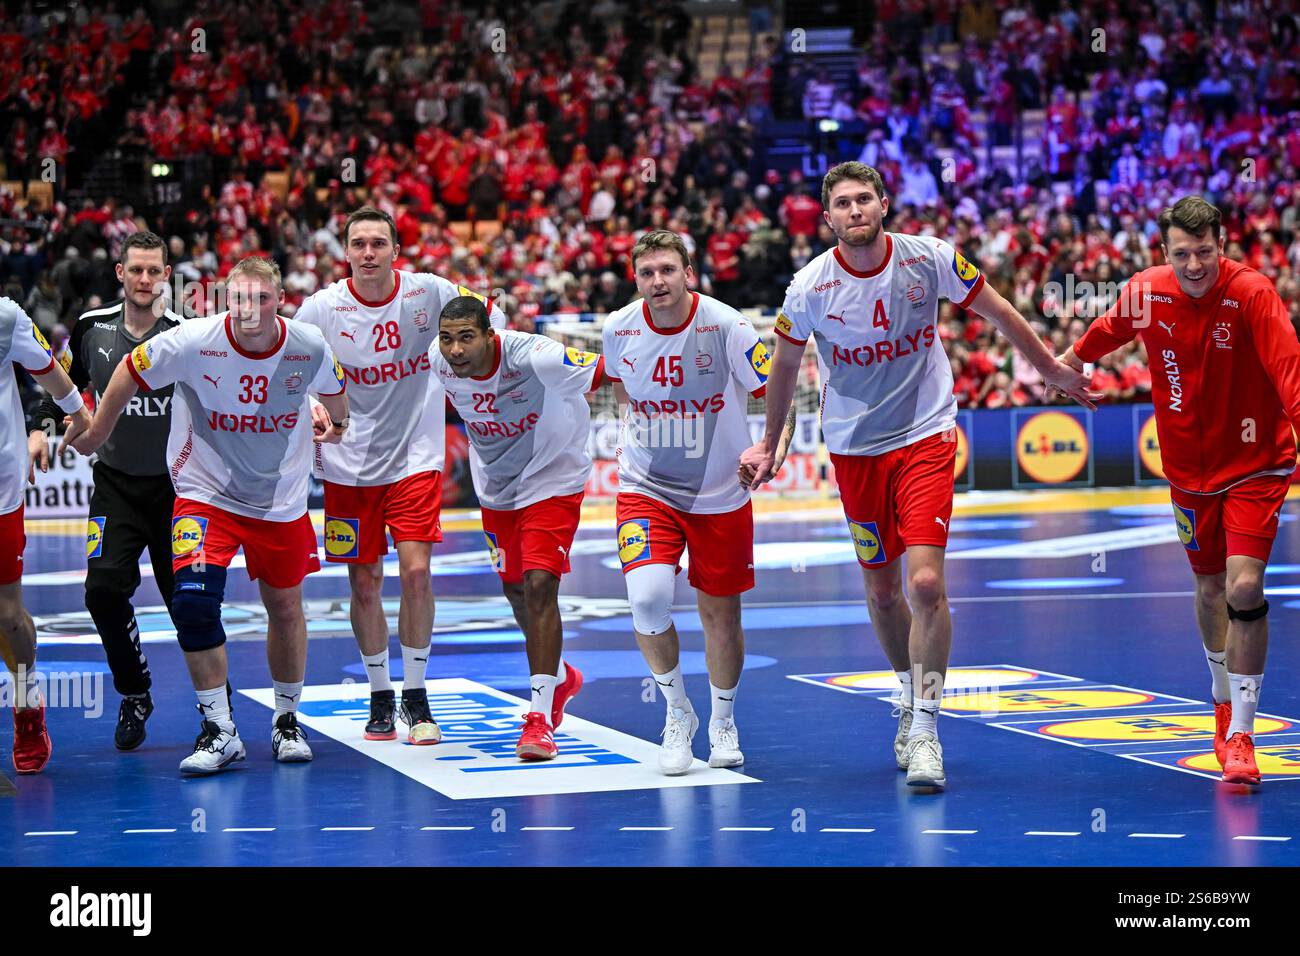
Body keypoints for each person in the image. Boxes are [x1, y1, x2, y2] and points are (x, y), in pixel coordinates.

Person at [741, 162, 1093, 790]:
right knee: (882, 592)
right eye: (842, 203)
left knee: (925, 582)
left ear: (884, 205)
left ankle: (927, 728)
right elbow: (785, 371)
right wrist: (769, 444)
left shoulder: (929, 258)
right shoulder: (807, 289)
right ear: (828, 219)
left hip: (927, 433)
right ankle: (907, 695)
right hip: (854, 447)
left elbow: (1000, 312)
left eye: (864, 200)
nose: (855, 211)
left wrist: (1051, 368)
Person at [64, 257, 349, 775]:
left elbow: (336, 396)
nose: (248, 310)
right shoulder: (194, 340)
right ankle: (219, 728)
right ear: (226, 299)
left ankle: (287, 721)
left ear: (278, 301)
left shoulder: (307, 345)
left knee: (284, 607)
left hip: (278, 499)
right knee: (193, 605)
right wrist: (101, 431)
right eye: (238, 298)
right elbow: (130, 369)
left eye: (260, 299)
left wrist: (334, 420)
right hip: (205, 494)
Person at [1062, 195, 1300, 786]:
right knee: (1209, 584)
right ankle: (1220, 700)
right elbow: (1104, 330)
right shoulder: (1148, 291)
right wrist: (1066, 364)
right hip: (1187, 470)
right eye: (1181, 254)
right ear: (1164, 252)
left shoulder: (1253, 294)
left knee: (1244, 585)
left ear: (1222, 244)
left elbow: (1290, 373)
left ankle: (1243, 732)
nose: (1194, 265)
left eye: (1204, 252)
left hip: (1255, 462)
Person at [293, 206, 503, 745]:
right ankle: (380, 693)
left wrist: (472, 378)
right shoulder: (321, 308)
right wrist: (314, 408)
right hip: (346, 463)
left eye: (378, 243)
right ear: (345, 252)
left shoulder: (429, 293)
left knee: (416, 574)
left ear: (395, 250)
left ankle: (416, 695)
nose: (368, 253)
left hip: (416, 455)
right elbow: (290, 370)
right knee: (364, 582)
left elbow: (489, 326)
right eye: (358, 243)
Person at [602, 229, 791, 775]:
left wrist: (771, 447)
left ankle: (723, 718)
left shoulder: (728, 326)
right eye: (646, 273)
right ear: (635, 280)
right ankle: (677, 713)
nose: (657, 281)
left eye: (667, 269)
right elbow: (618, 387)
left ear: (689, 274)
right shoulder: (619, 328)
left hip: (722, 491)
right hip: (647, 486)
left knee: (720, 614)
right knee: (647, 600)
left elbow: (776, 396)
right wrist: (631, 432)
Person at [26, 230, 184, 751]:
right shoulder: (92, 329)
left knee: (192, 604)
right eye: (134, 269)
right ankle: (135, 692)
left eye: (153, 271)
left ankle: (216, 709)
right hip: (115, 488)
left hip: (179, 492)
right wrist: (42, 428)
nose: (144, 279)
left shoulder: (187, 333)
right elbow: (60, 386)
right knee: (101, 592)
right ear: (120, 273)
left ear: (166, 275)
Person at [430, 296, 601, 759]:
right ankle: (562, 678)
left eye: (467, 337)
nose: (456, 350)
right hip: (496, 486)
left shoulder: (536, 355)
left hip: (554, 477)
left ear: (490, 336)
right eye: (447, 339)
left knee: (540, 583)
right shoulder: (437, 360)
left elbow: (614, 374)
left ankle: (539, 718)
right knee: (516, 592)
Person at [2, 298, 92, 773]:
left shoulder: (4, 316)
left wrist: (76, 410)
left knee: (8, 615)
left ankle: (27, 705)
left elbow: (50, 371)